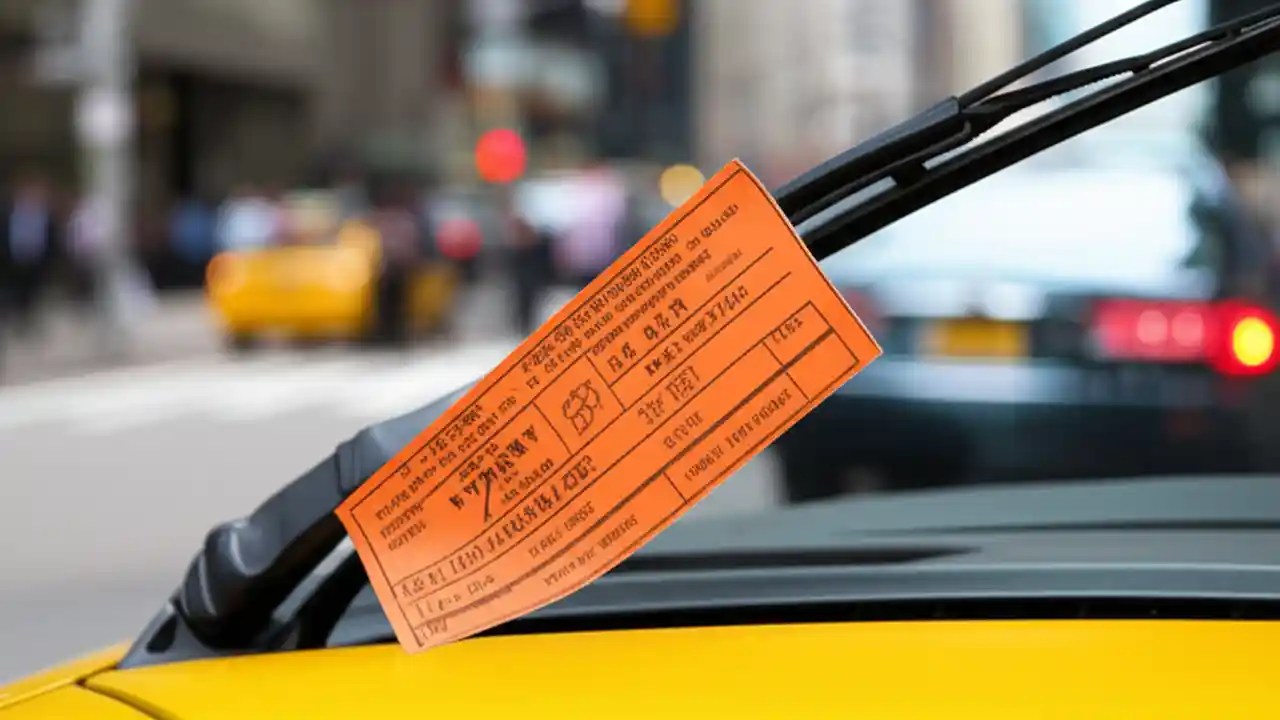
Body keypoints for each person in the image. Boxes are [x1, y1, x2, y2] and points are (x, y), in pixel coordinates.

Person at [0, 172, 60, 337]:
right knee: (14, 296)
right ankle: (17, 322)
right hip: (13, 263)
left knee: (33, 296)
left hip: (37, 263)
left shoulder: (46, 216)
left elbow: (52, 241)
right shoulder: (8, 213)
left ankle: (29, 324)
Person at [366, 181, 422, 345]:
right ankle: (388, 332)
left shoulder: (396, 221)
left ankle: (394, 333)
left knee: (396, 303)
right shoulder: (400, 221)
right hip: (391, 269)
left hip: (395, 269)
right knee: (389, 303)